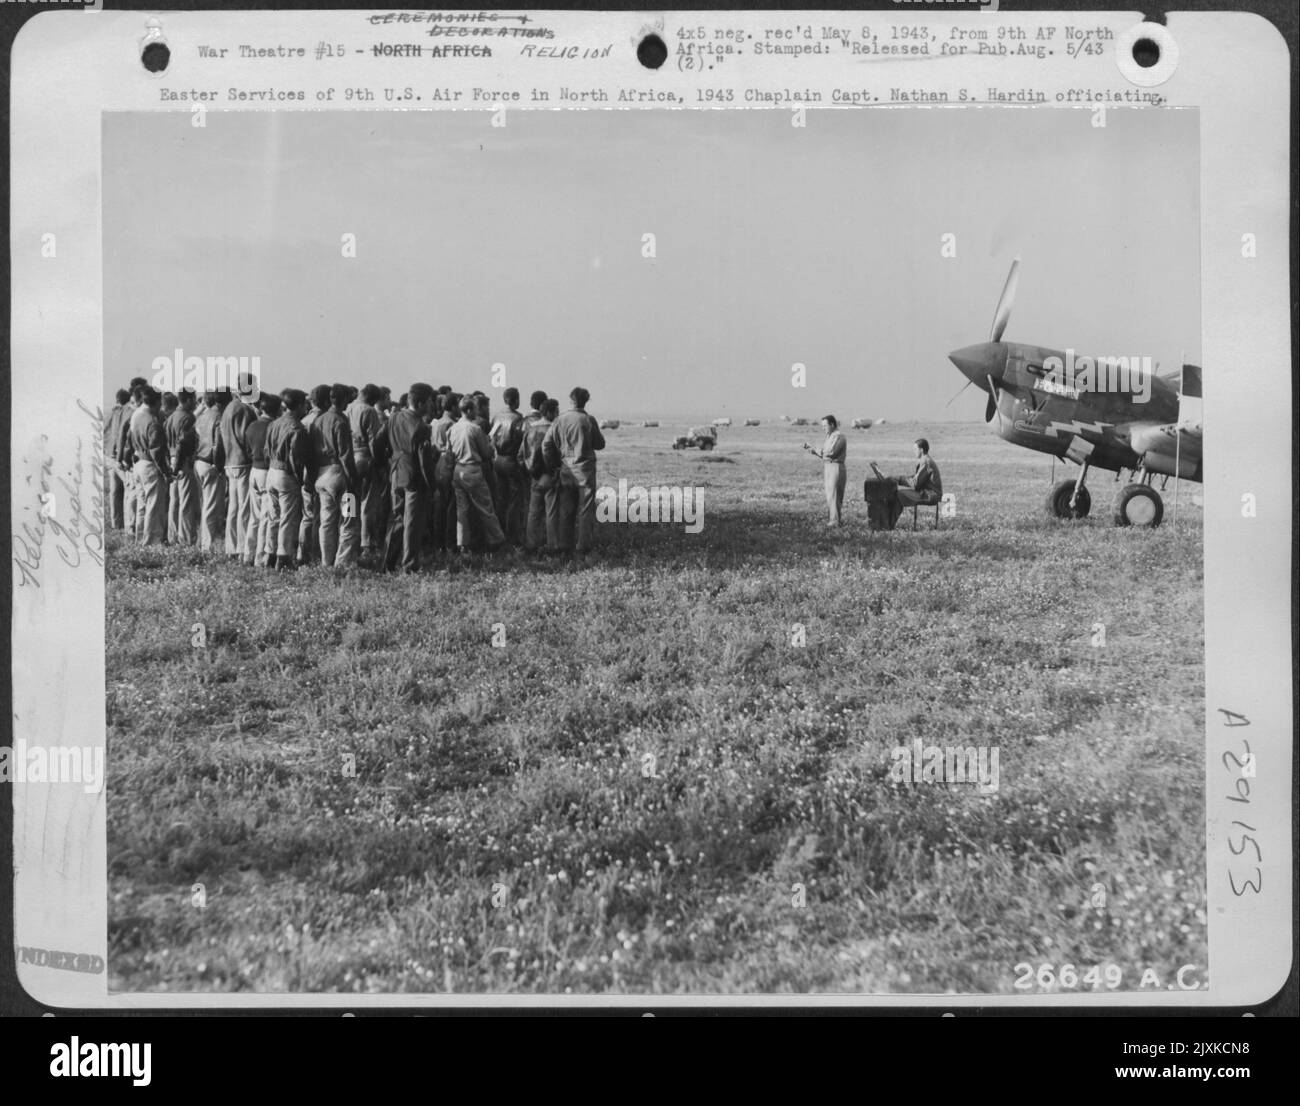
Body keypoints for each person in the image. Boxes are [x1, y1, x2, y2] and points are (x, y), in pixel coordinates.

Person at [381, 384, 439, 573]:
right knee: (413, 524)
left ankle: (387, 563)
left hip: (396, 473)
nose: (431, 405)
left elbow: (377, 443)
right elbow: (424, 461)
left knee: (397, 520)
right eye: (430, 401)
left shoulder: (394, 417)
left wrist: (390, 460)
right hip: (414, 477)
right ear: (421, 403)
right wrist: (432, 485)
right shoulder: (421, 427)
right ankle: (409, 565)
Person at [542, 386, 605, 555]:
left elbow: (546, 445)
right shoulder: (588, 420)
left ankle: (564, 546)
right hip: (585, 471)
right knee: (585, 510)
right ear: (586, 401)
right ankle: (583, 546)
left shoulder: (559, 420)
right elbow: (600, 444)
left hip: (565, 469)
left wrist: (553, 465)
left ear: (570, 400)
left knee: (566, 510)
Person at [449, 393, 507, 554]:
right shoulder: (475, 429)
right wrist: (491, 443)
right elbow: (486, 453)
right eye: (474, 409)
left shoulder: (453, 428)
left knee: (462, 510)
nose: (477, 412)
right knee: (486, 508)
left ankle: (463, 543)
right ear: (468, 410)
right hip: (473, 469)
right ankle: (497, 540)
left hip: (457, 469)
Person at [313, 383, 361, 569]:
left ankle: (327, 561)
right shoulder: (340, 421)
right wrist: (353, 480)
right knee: (349, 519)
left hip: (322, 474)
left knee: (327, 521)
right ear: (343, 400)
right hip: (340, 474)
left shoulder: (319, 419)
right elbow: (346, 455)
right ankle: (344, 562)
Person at [265, 389, 310, 570]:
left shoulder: (274, 424)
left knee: (273, 517)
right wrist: (299, 478)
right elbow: (296, 458)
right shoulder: (297, 427)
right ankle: (283, 558)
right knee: (288, 518)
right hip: (285, 473)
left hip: (271, 471)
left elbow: (266, 450)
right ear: (299, 405)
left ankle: (270, 553)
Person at [127, 386, 173, 545]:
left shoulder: (136, 415)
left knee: (142, 505)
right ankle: (152, 542)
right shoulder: (152, 421)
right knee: (154, 507)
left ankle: (140, 539)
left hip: (138, 463)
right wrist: (166, 472)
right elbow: (156, 452)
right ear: (155, 402)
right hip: (150, 465)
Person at [219, 381, 258, 559]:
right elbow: (247, 437)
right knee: (244, 507)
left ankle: (231, 547)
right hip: (243, 461)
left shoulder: (228, 409)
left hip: (229, 461)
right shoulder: (245, 410)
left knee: (233, 507)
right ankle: (243, 548)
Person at [348, 383, 386, 556]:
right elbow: (374, 441)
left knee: (350, 502)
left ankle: (349, 539)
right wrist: (380, 463)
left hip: (349, 460)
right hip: (365, 458)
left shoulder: (348, 408)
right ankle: (366, 543)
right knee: (368, 504)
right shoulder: (369, 411)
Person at [520, 397, 559, 553]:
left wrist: (529, 469)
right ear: (549, 412)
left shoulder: (530, 428)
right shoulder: (554, 428)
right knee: (551, 512)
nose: (558, 413)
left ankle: (531, 544)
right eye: (556, 411)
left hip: (534, 474)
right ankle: (552, 545)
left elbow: (522, 453)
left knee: (533, 512)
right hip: (550, 474)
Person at [489, 387, 528, 545]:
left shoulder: (496, 416)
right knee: (515, 500)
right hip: (511, 461)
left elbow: (491, 437)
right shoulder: (518, 418)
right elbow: (523, 442)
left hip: (498, 460)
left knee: (501, 498)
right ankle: (513, 536)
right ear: (516, 400)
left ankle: (499, 533)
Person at [245, 393, 279, 566]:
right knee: (267, 516)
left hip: (254, 471)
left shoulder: (251, 426)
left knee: (254, 516)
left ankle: (248, 554)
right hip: (267, 471)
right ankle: (260, 557)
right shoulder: (273, 427)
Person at [297, 386, 329, 566]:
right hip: (322, 471)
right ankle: (319, 555)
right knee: (325, 516)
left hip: (306, 473)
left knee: (308, 516)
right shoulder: (325, 420)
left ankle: (303, 553)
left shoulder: (305, 420)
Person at [165, 390, 201, 546]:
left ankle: (172, 536)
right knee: (186, 501)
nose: (195, 403)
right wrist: (179, 466)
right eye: (193, 400)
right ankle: (185, 539)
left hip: (172, 460)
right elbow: (182, 444)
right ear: (187, 400)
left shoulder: (171, 417)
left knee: (174, 501)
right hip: (183, 462)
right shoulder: (188, 418)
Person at [193, 391, 227, 552]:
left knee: (205, 505)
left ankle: (204, 542)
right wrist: (219, 466)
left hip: (199, 462)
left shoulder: (203, 416)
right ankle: (210, 546)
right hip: (211, 464)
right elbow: (218, 444)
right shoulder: (219, 417)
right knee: (212, 508)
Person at [805, 414, 847, 526]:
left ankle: (835, 521)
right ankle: (834, 519)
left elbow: (831, 453)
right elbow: (825, 455)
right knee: (830, 495)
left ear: (832, 424)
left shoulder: (839, 436)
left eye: (825, 425)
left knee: (834, 494)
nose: (823, 428)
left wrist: (817, 450)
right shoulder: (829, 437)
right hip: (828, 466)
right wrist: (814, 451)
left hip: (835, 466)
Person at [104, 388, 131, 530]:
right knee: (127, 489)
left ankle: (116, 524)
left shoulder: (111, 413)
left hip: (109, 454)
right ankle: (127, 524)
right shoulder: (127, 412)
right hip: (119, 455)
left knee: (114, 491)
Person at [896, 437, 943, 508]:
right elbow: (917, 479)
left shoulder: (926, 461)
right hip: (928, 493)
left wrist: (899, 479)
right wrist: (900, 479)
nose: (914, 451)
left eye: (915, 449)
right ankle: (890, 518)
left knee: (897, 494)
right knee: (898, 493)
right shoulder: (925, 460)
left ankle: (889, 519)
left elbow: (915, 484)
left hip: (931, 495)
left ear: (921, 450)